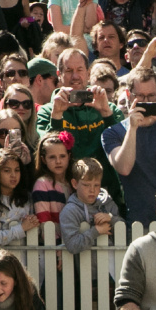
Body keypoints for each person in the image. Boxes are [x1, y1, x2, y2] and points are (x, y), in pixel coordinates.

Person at [36, 48, 125, 206]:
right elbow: (46, 152)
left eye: (80, 70)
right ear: (59, 74)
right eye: (69, 71)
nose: (75, 76)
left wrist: (106, 113)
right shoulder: (47, 111)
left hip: (108, 197)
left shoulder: (108, 107)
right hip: (64, 198)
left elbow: (124, 145)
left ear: (88, 73)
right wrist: (57, 116)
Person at [102, 67, 156, 227]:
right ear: (129, 95)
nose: (147, 101)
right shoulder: (113, 133)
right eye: (140, 96)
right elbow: (124, 168)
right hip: (136, 221)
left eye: (151, 96)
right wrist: (132, 128)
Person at [60, 157, 123, 255]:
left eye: (96, 185)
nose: (92, 190)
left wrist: (111, 219)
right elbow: (72, 245)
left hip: (115, 260)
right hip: (86, 264)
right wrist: (96, 231)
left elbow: (123, 229)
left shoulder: (107, 203)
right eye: (86, 185)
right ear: (75, 184)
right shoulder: (70, 211)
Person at [0, 148, 38, 249]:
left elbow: (37, 230)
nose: (13, 175)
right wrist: (21, 227)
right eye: (7, 171)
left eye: (17, 170)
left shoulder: (26, 198)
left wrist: (32, 222)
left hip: (29, 257)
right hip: (2, 257)